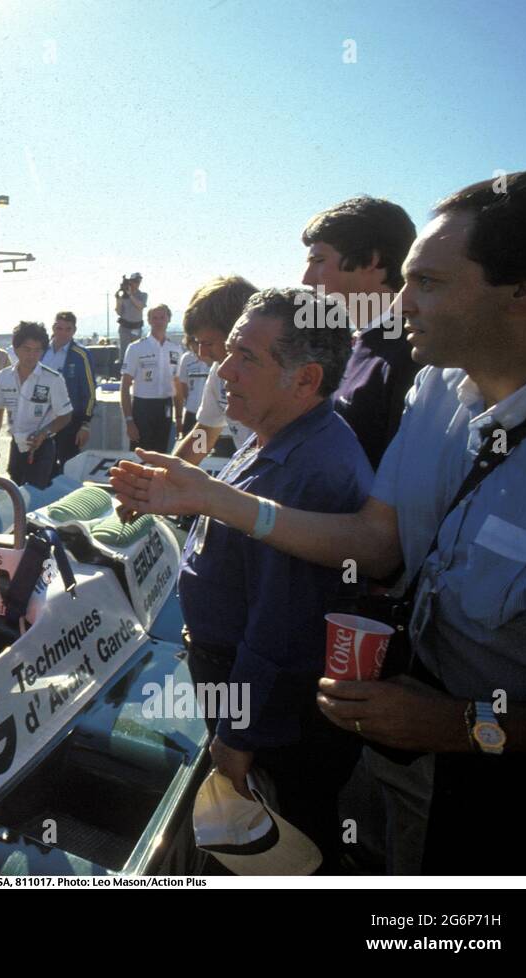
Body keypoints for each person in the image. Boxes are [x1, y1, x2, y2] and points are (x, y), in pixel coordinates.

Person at [108, 166, 526, 876]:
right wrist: (203, 495)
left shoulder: (339, 434)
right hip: (403, 725)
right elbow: (376, 546)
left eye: (429, 283)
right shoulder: (436, 389)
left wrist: (467, 726)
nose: (401, 303)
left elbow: (284, 608)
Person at [146, 287, 371, 869]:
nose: (222, 368)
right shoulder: (277, 432)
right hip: (238, 692)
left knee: (279, 851)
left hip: (268, 720)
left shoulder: (312, 471)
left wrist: (238, 736)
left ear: (305, 379)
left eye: (246, 356)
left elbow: (281, 629)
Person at [302, 196, 420, 469]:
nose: (306, 278)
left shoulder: (410, 353)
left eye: (318, 259)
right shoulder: (359, 346)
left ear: (371, 260)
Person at [173, 275, 258, 464]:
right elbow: (205, 434)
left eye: (208, 343)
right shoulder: (219, 371)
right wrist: (167, 474)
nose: (202, 354)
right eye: (198, 343)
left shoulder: (275, 374)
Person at [0, 320, 72, 489]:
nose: (31, 355)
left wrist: (45, 433)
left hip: (41, 447)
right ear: (16, 348)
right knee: (14, 493)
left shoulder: (53, 379)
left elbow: (65, 415)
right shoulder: (4, 376)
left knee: (35, 497)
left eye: (37, 350)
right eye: (27, 349)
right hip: (16, 445)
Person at [43, 310, 97, 476]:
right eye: (59, 328)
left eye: (68, 329)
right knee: (43, 468)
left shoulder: (81, 354)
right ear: (53, 328)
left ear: (74, 331)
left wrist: (85, 424)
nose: (63, 333)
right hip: (42, 419)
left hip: (69, 421)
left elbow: (90, 392)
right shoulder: (41, 351)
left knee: (68, 470)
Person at [121, 304, 180, 452]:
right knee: (139, 455)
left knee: (161, 455)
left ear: (169, 319)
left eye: (162, 317)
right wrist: (129, 421)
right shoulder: (136, 348)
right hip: (142, 408)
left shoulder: (176, 349)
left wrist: (179, 418)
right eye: (155, 318)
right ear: (149, 321)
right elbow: (125, 386)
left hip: (166, 407)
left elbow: (178, 385)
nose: (159, 321)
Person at [174, 332, 210, 436]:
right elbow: (182, 387)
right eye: (193, 344)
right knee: (196, 449)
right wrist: (179, 418)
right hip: (192, 412)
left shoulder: (214, 357)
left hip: (210, 414)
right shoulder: (186, 359)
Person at [116, 272, 148, 361]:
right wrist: (119, 300)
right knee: (124, 353)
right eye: (135, 281)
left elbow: (140, 306)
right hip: (125, 327)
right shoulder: (124, 295)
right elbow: (119, 312)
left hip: (136, 327)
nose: (137, 284)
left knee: (136, 352)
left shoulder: (143, 295)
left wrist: (130, 295)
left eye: (138, 281)